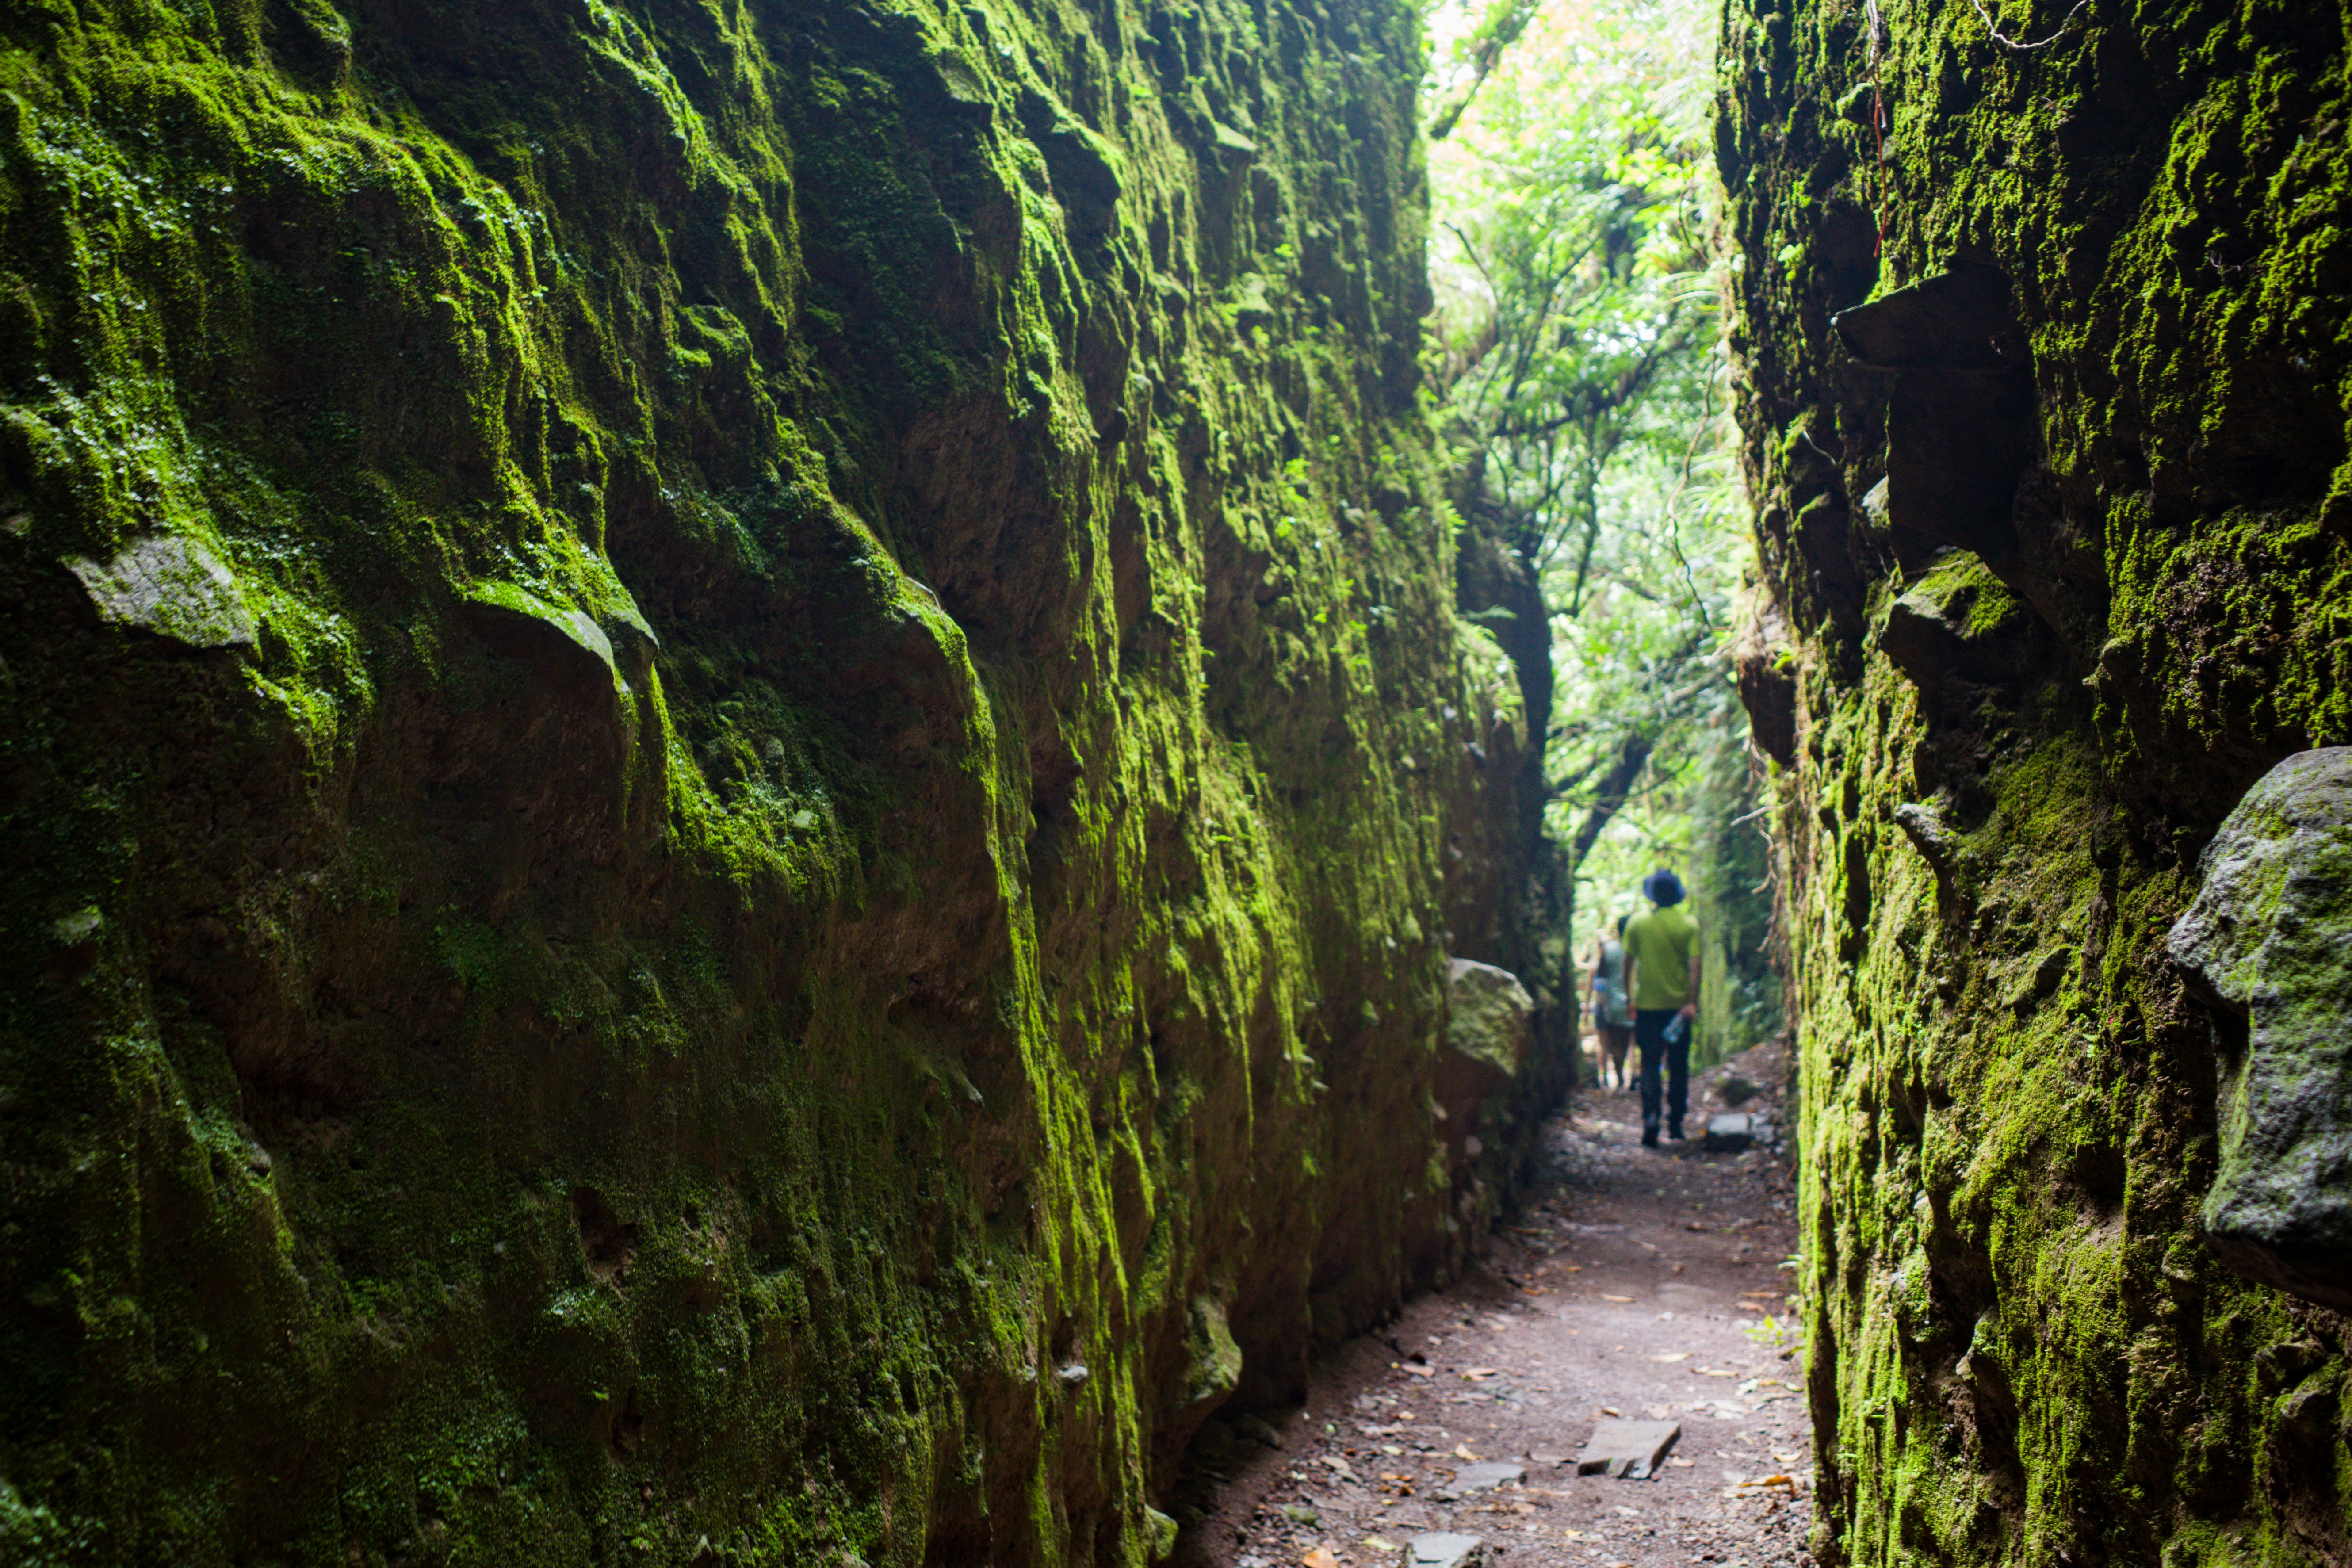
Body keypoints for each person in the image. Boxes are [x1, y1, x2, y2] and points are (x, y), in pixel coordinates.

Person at [1622, 867, 1700, 1148]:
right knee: (1678, 1065)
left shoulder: (1636, 923)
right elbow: (1694, 968)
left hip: (1647, 1008)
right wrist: (1691, 1002)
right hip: (1679, 1010)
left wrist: (1630, 999)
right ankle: (1676, 1123)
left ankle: (1651, 1116)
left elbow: (1628, 965)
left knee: (1650, 1063)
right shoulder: (1689, 924)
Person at [1588, 915, 1634, 1090]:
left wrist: (1602, 1001)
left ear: (1618, 931)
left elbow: (1600, 978)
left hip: (1615, 1005)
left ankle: (1622, 1078)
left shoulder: (1608, 949)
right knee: (1636, 1042)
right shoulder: (1641, 949)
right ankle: (1639, 1077)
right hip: (1638, 1003)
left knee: (1617, 1043)